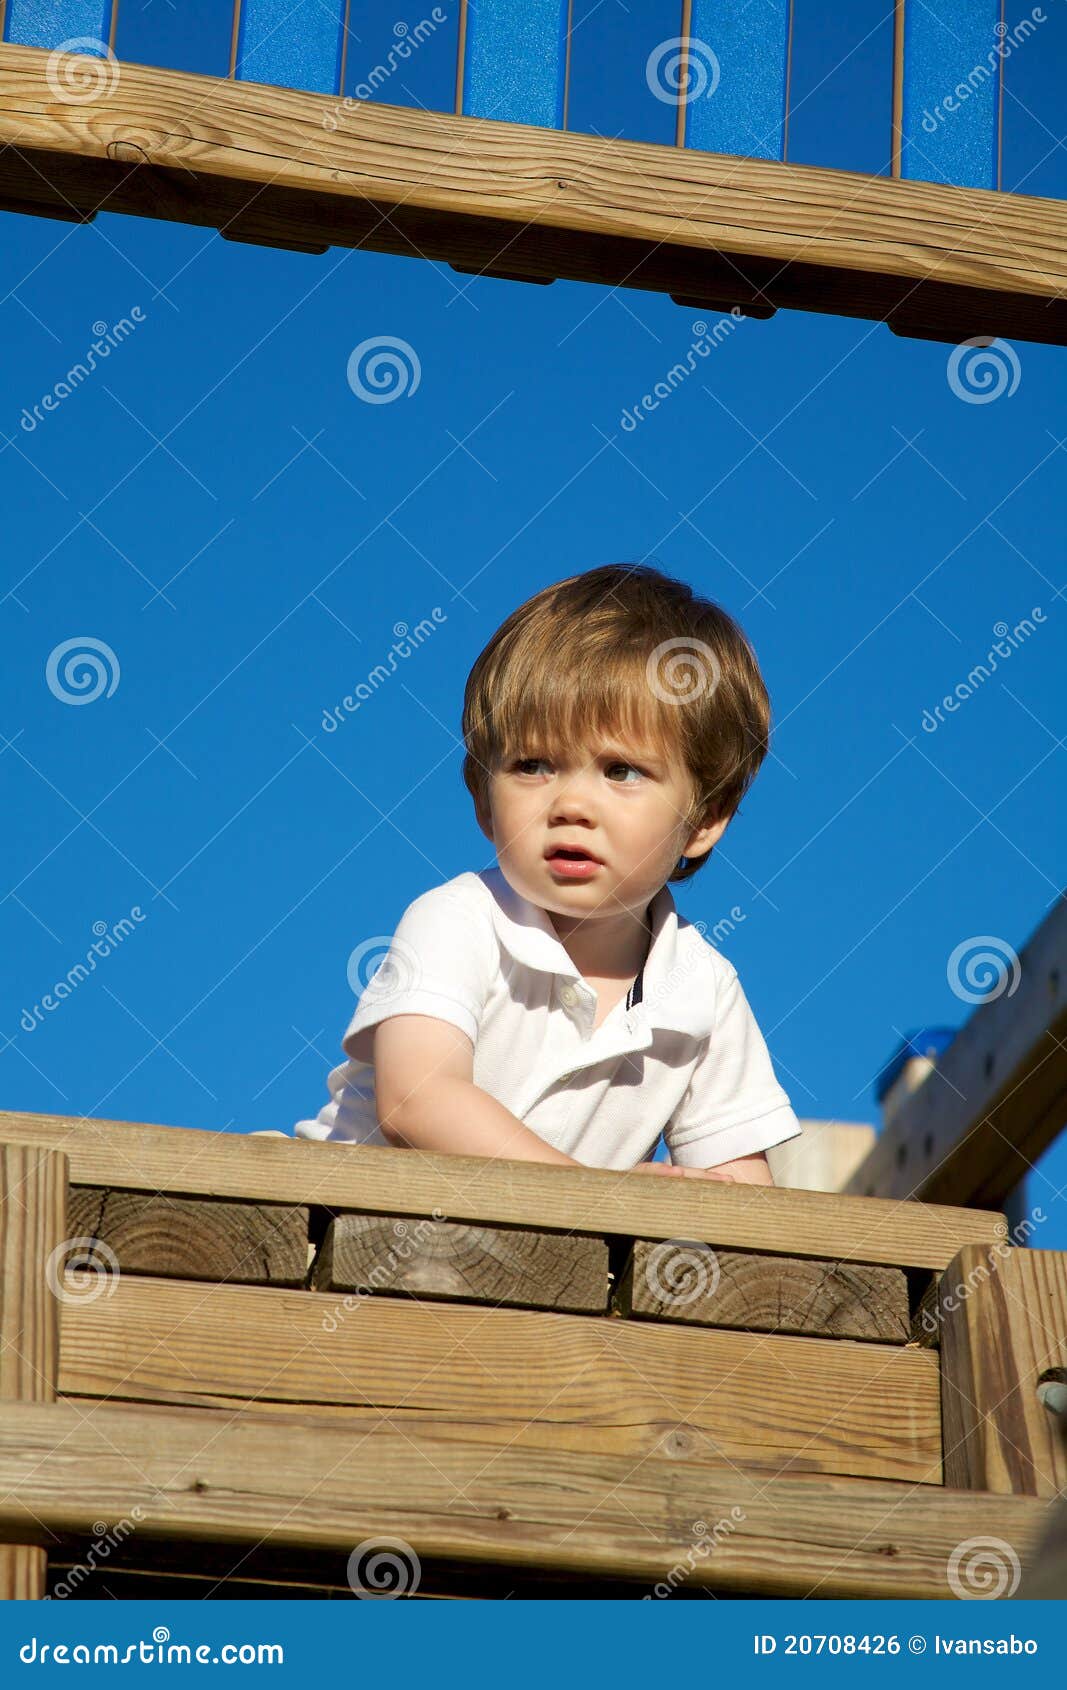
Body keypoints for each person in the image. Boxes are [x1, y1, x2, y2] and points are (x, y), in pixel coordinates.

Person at [291, 562, 803, 1185]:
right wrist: (601, 1198)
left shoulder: (703, 988)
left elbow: (743, 1190)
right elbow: (416, 1100)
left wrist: (694, 1205)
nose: (571, 806)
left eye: (621, 771)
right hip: (336, 1229)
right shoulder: (460, 920)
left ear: (704, 817)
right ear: (483, 798)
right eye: (533, 765)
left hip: (520, 1263)